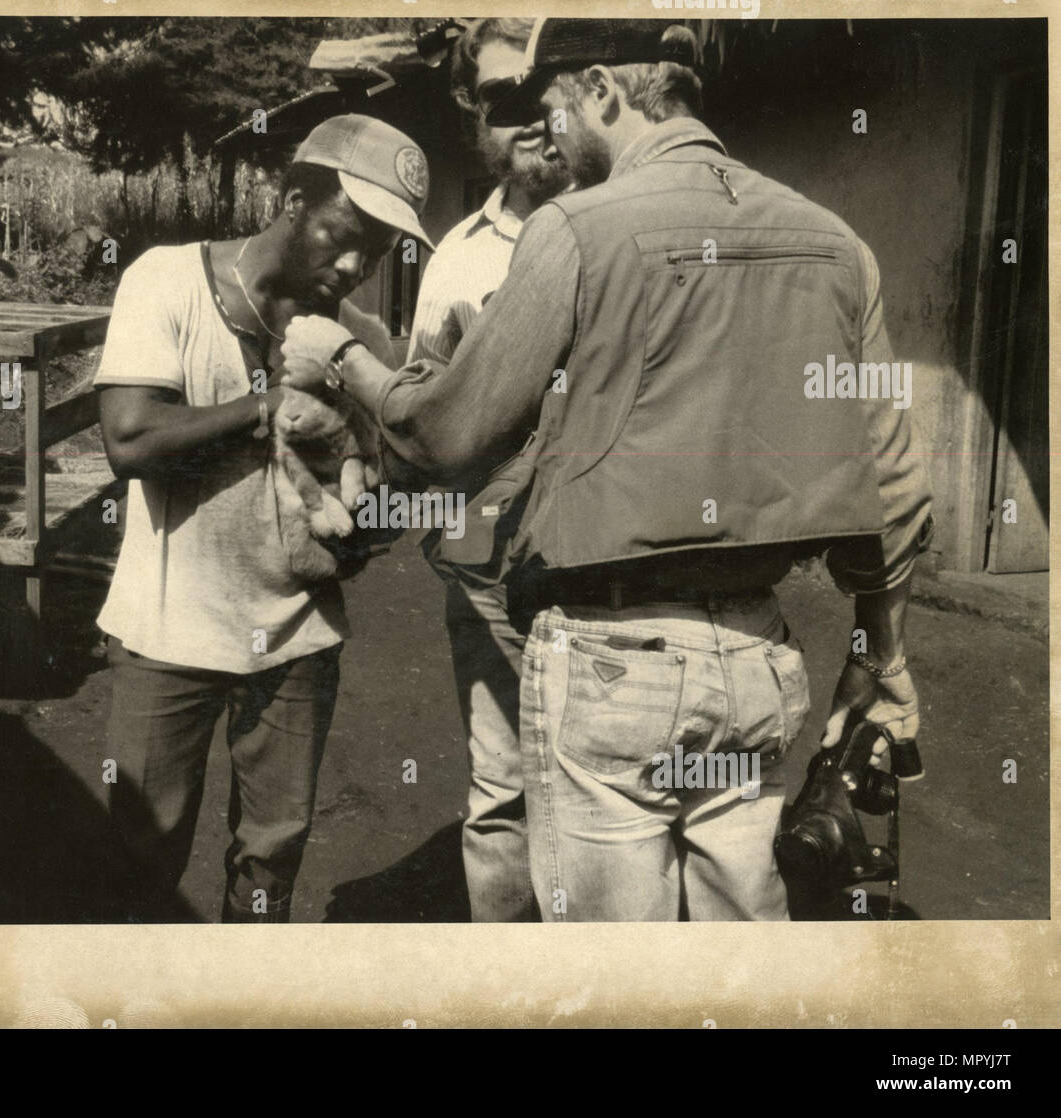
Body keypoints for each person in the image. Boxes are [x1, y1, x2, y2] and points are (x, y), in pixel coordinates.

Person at [280, 20, 933, 922]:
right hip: (758, 655)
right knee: (739, 959)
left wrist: (346, 359)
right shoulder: (835, 242)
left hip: (611, 660)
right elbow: (894, 488)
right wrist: (882, 655)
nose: (547, 133)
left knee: (614, 977)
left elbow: (445, 433)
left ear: (600, 90)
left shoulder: (575, 231)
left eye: (553, 107)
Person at [94, 114, 430, 922]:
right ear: (290, 201)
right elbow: (131, 439)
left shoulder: (356, 339)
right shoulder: (165, 281)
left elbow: (372, 485)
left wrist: (370, 526)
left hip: (296, 639)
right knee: (140, 851)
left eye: (377, 253)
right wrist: (269, 405)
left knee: (270, 864)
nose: (353, 266)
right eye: (342, 236)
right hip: (167, 630)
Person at [406, 17, 570, 922]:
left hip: (612, 570)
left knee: (615, 801)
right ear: (476, 115)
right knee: (504, 787)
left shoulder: (626, 226)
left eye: (547, 92)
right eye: (505, 100)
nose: (534, 118)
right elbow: (426, 423)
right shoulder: (459, 259)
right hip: (493, 568)